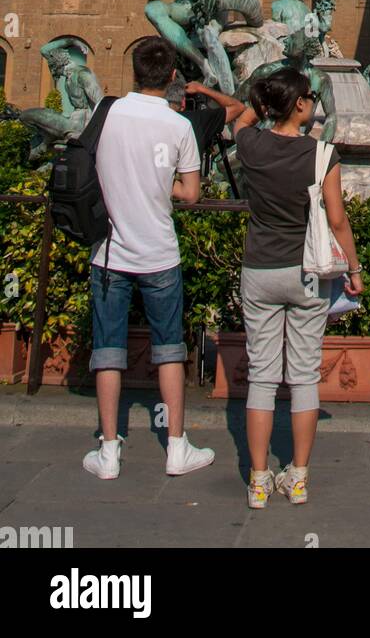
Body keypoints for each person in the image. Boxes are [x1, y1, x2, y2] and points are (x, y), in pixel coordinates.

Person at [82, 37, 216, 481]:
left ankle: (108, 452)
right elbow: (191, 193)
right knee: (169, 350)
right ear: (174, 77)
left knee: (107, 350)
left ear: (134, 73)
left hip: (109, 253)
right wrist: (161, 188)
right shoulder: (179, 126)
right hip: (159, 252)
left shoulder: (107, 113)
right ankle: (176, 447)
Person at [233, 69, 363, 509]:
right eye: (308, 96)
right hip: (307, 272)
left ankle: (257, 479)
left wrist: (265, 101)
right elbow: (338, 219)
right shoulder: (323, 153)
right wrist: (356, 269)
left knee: (262, 377)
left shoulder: (250, 145)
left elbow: (241, 121)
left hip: (259, 270)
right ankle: (300, 478)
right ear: (303, 105)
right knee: (304, 376)